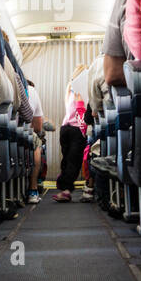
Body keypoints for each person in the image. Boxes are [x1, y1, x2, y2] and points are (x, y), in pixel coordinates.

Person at [52, 68, 89, 201]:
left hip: (65, 128)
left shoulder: (69, 89)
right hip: (76, 129)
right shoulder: (81, 90)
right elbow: (81, 109)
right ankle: (65, 189)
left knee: (67, 159)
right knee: (74, 161)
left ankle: (64, 183)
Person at [26, 80, 45, 198]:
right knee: (36, 144)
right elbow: (38, 127)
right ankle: (33, 188)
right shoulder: (31, 91)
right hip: (23, 131)